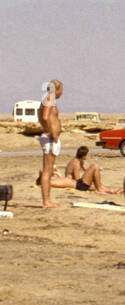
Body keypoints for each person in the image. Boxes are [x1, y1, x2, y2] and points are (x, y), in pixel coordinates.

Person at [37, 79, 63, 209]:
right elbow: (46, 117)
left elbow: (40, 116)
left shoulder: (45, 100)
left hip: (50, 138)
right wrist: (51, 132)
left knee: (48, 170)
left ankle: (47, 200)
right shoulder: (49, 99)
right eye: (61, 90)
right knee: (47, 171)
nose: (62, 93)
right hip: (50, 139)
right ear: (56, 89)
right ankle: (46, 201)